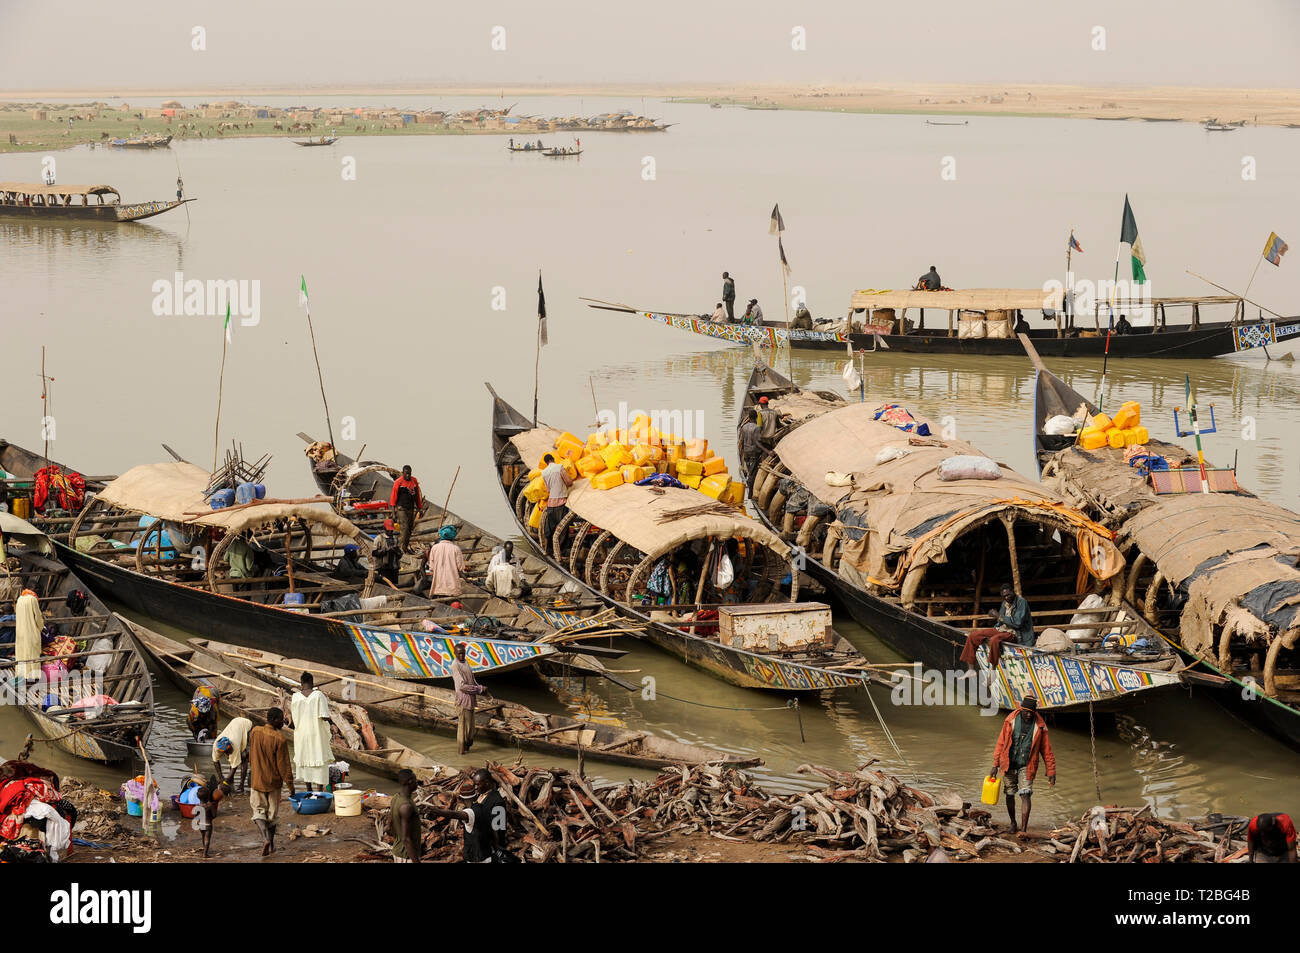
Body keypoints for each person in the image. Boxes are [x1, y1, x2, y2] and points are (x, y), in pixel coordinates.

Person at [990, 694, 1056, 835]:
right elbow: (1001, 743)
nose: (1028, 715)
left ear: (1034, 712)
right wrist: (995, 764)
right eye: (1025, 711)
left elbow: (1046, 750)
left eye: (1031, 713)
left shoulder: (1040, 726)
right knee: (1009, 794)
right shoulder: (1010, 721)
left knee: (1025, 794)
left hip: (1027, 765)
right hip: (1008, 763)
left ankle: (1023, 830)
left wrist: (1051, 772)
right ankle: (1013, 824)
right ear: (1021, 709)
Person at [424, 768, 509, 863]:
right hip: (478, 843)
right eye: (475, 784)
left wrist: (497, 852)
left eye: (478, 784)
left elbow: (499, 830)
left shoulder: (497, 802)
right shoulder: (480, 795)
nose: (475, 788)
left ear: (487, 783)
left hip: (486, 849)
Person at [248, 707, 294, 856]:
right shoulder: (279, 739)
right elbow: (284, 766)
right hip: (273, 783)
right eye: (282, 719)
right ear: (274, 720)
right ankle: (271, 844)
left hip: (257, 780)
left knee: (258, 812)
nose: (284, 722)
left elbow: (251, 754)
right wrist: (290, 786)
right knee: (272, 816)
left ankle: (264, 838)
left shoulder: (254, 732)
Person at [960, 583, 1034, 671]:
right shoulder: (1004, 603)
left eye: (1008, 595)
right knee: (974, 636)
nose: (1006, 598)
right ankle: (971, 669)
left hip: (1015, 633)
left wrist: (998, 616)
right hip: (1002, 629)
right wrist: (994, 627)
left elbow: (1017, 623)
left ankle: (993, 669)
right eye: (1004, 596)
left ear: (1013, 591)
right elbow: (1000, 622)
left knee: (994, 639)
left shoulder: (1021, 602)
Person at [289, 673, 332, 792]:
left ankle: (308, 791)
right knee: (319, 759)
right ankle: (319, 792)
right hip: (316, 734)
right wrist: (331, 722)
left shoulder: (295, 697)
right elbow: (324, 716)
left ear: (301, 683)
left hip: (301, 735)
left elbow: (293, 720)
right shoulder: (319, 695)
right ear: (312, 683)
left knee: (305, 760)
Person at [450, 643, 485, 755]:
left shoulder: (465, 662)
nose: (462, 656)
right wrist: (478, 689)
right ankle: (461, 752)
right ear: (455, 653)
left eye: (463, 654)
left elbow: (472, 679)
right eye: (459, 654)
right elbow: (462, 686)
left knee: (470, 728)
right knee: (463, 728)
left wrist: (480, 687)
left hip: (470, 699)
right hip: (463, 700)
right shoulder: (455, 665)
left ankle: (467, 749)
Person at [539, 453, 573, 549]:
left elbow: (548, 488)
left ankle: (547, 548)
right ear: (553, 459)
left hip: (551, 503)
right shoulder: (559, 467)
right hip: (561, 502)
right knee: (563, 527)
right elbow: (569, 482)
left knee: (550, 527)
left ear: (546, 463)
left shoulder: (544, 472)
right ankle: (561, 549)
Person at [211, 715, 253, 792]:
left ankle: (241, 785)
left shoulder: (234, 745)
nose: (229, 752)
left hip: (246, 725)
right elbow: (215, 762)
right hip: (236, 724)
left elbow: (234, 766)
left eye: (230, 750)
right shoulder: (216, 747)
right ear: (221, 751)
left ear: (230, 745)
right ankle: (231, 781)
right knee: (234, 759)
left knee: (243, 757)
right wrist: (221, 778)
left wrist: (225, 781)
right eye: (227, 752)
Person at [390, 768, 422, 863]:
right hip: (407, 856)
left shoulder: (396, 797)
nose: (417, 782)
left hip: (398, 850)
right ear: (410, 781)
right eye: (416, 780)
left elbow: (390, 823)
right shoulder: (406, 806)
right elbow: (406, 839)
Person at [389, 465, 424, 553]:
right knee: (404, 528)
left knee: (409, 529)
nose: (408, 475)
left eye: (409, 474)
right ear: (403, 473)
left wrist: (420, 508)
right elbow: (393, 498)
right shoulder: (398, 482)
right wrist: (393, 513)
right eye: (406, 474)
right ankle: (401, 548)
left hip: (410, 508)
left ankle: (405, 547)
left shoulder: (414, 481)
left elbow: (417, 496)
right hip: (401, 508)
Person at [13, 585, 42, 681]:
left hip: (20, 631)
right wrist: (41, 627)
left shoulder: (20, 599)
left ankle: (22, 674)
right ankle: (33, 676)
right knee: (32, 653)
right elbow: (38, 616)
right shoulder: (33, 599)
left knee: (22, 653)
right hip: (31, 631)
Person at [427, 525, 465, 597]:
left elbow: (431, 567)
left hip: (438, 585)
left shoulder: (434, 548)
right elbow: (460, 567)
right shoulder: (456, 549)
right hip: (452, 586)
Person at [372, 519, 403, 586]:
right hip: (383, 568)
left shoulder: (395, 539)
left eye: (391, 530)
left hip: (394, 567)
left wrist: (396, 550)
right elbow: (374, 553)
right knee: (385, 585)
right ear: (384, 528)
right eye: (388, 530)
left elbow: (400, 555)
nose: (390, 531)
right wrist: (386, 550)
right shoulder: (379, 538)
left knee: (394, 585)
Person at [739, 409, 762, 493]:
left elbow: (743, 440)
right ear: (756, 417)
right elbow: (757, 441)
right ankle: (750, 485)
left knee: (748, 466)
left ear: (749, 417)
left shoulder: (744, 427)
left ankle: (748, 478)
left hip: (746, 450)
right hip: (753, 450)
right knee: (753, 470)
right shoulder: (756, 428)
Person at [193, 785, 213, 858]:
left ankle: (204, 848)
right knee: (207, 838)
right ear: (208, 796)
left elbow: (195, 816)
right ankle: (205, 854)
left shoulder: (197, 806)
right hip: (208, 824)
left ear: (198, 797)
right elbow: (214, 815)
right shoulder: (210, 805)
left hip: (200, 824)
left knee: (203, 836)